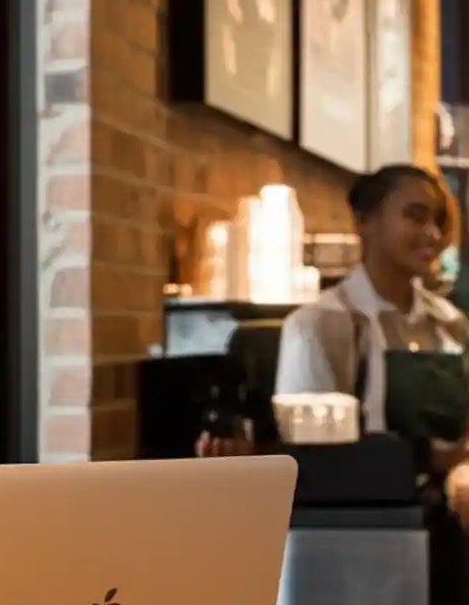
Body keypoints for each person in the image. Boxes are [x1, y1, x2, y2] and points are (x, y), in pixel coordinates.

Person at [196, 165, 469, 602]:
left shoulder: (451, 326)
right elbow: (316, 467)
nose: (433, 233)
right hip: (361, 547)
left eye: (438, 219)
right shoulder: (319, 326)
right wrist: (433, 457)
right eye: (415, 216)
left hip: (451, 533)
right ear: (364, 221)